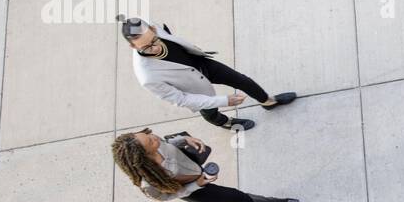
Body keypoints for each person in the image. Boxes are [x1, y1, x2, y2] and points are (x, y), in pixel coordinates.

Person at [120, 15, 296, 131]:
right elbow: (180, 99)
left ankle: (267, 101)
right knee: (211, 112)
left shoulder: (154, 26)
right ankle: (227, 123)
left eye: (154, 40)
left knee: (243, 81)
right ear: (133, 47)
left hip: (202, 65)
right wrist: (224, 100)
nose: (155, 47)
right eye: (146, 47)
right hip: (193, 89)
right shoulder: (147, 76)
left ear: (153, 29)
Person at [111, 129, 299, 202]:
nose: (154, 137)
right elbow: (167, 196)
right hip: (191, 187)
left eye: (148, 135)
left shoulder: (152, 140)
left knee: (191, 201)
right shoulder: (149, 183)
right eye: (150, 141)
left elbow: (167, 142)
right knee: (235, 196)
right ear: (142, 155)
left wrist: (185, 140)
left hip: (193, 168)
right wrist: (197, 184)